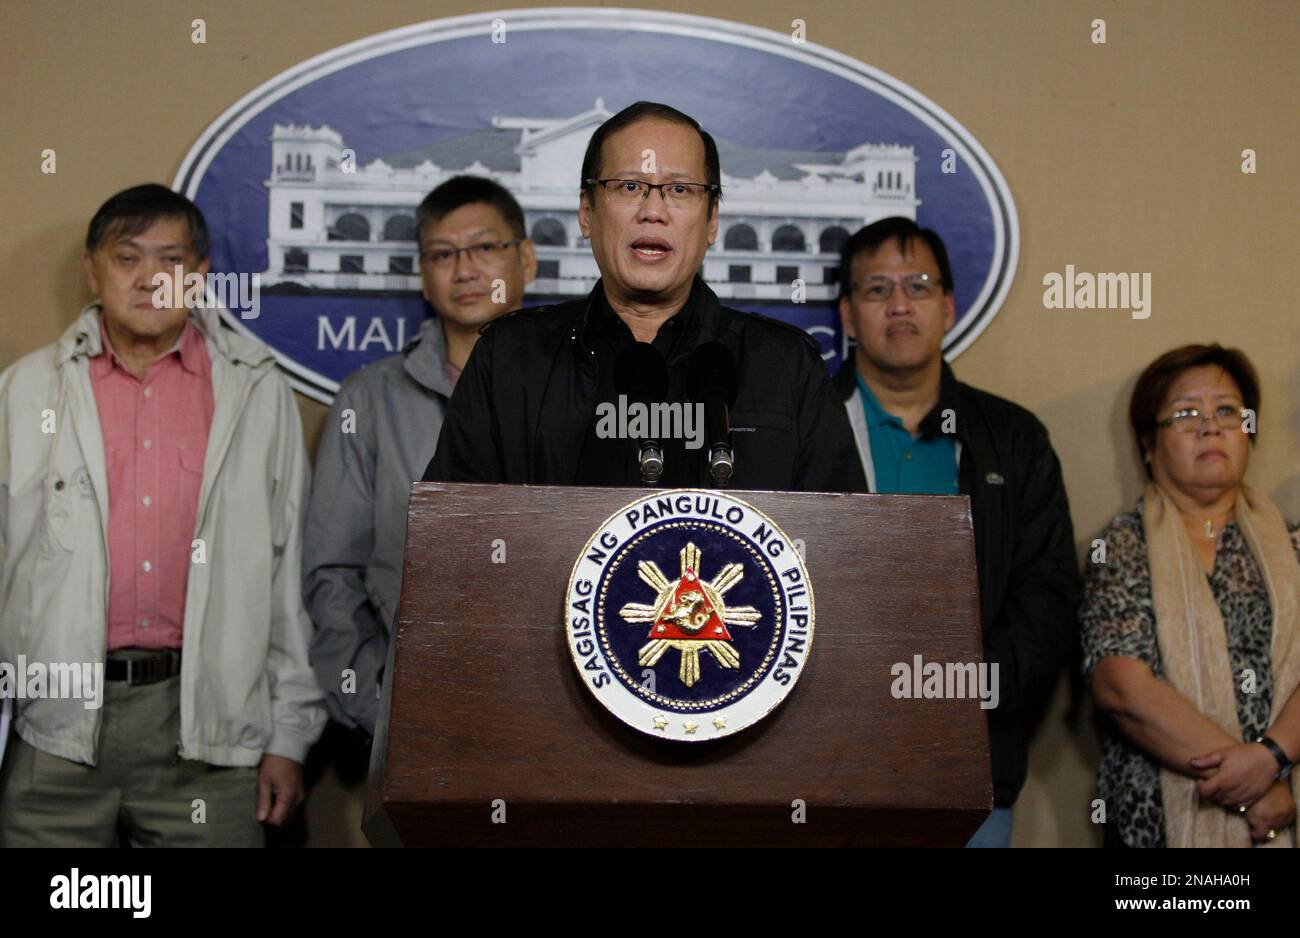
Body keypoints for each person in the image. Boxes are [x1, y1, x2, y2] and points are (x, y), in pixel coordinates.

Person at [0, 184, 325, 846]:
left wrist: (289, 732)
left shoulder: (256, 391)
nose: (150, 279)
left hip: (211, 728)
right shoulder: (28, 388)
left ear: (200, 275)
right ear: (93, 269)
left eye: (171, 260)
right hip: (52, 729)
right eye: (127, 258)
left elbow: (287, 571)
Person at [423, 101, 865, 493]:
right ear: (586, 212)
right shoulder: (507, 359)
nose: (653, 211)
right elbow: (452, 546)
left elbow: (844, 552)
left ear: (712, 220)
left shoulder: (787, 367)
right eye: (629, 186)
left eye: (680, 189)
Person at [834, 217, 1079, 846]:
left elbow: (1046, 598)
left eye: (917, 286)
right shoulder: (806, 430)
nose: (898, 305)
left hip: (972, 771)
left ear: (947, 306)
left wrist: (959, 692)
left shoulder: (1015, 439)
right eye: (876, 289)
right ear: (847, 314)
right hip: (827, 764)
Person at [304, 176, 536, 739]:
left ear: (526, 260)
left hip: (560, 710)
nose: (465, 269)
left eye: (486, 247)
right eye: (443, 254)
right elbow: (334, 571)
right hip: (416, 719)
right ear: (423, 275)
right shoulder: (371, 399)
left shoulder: (582, 389)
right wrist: (380, 705)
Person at [1081, 344, 1300, 847]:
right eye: (1186, 414)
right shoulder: (1118, 548)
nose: (1210, 426)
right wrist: (1255, 785)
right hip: (1160, 823)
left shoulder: (1293, 546)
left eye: (1227, 411)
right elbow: (1123, 690)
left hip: (1284, 815)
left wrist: (1272, 756)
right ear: (1148, 445)